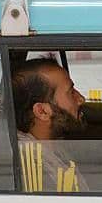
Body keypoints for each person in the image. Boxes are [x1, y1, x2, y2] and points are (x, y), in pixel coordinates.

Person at [12, 57, 88, 192]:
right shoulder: (30, 164)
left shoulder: (49, 146)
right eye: (71, 93)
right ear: (42, 111)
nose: (81, 99)